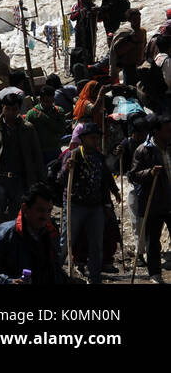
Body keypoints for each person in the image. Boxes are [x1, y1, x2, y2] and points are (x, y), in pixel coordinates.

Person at [57, 122, 118, 284]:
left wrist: (115, 192)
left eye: (97, 138)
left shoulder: (99, 157)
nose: (95, 141)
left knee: (96, 244)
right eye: (92, 138)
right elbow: (61, 180)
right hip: (75, 205)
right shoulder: (73, 155)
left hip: (95, 206)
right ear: (83, 139)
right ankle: (53, 273)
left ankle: (95, 277)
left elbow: (106, 178)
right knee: (66, 240)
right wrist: (66, 169)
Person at [0, 182, 69, 284]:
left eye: (49, 211)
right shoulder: (5, 235)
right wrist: (9, 282)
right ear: (25, 209)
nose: (45, 216)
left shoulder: (50, 231)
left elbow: (53, 268)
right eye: (40, 210)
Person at [0, 90, 44, 234]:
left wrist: (39, 181)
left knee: (17, 217)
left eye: (14, 109)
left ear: (19, 109)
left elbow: (36, 156)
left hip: (19, 180)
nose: (10, 112)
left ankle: (12, 247)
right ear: (2, 108)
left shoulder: (27, 128)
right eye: (7, 109)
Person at [129, 115, 171, 283]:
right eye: (168, 129)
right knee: (153, 240)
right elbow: (133, 176)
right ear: (156, 131)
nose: (170, 132)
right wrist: (150, 173)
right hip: (154, 201)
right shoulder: (144, 150)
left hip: (170, 199)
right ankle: (155, 274)